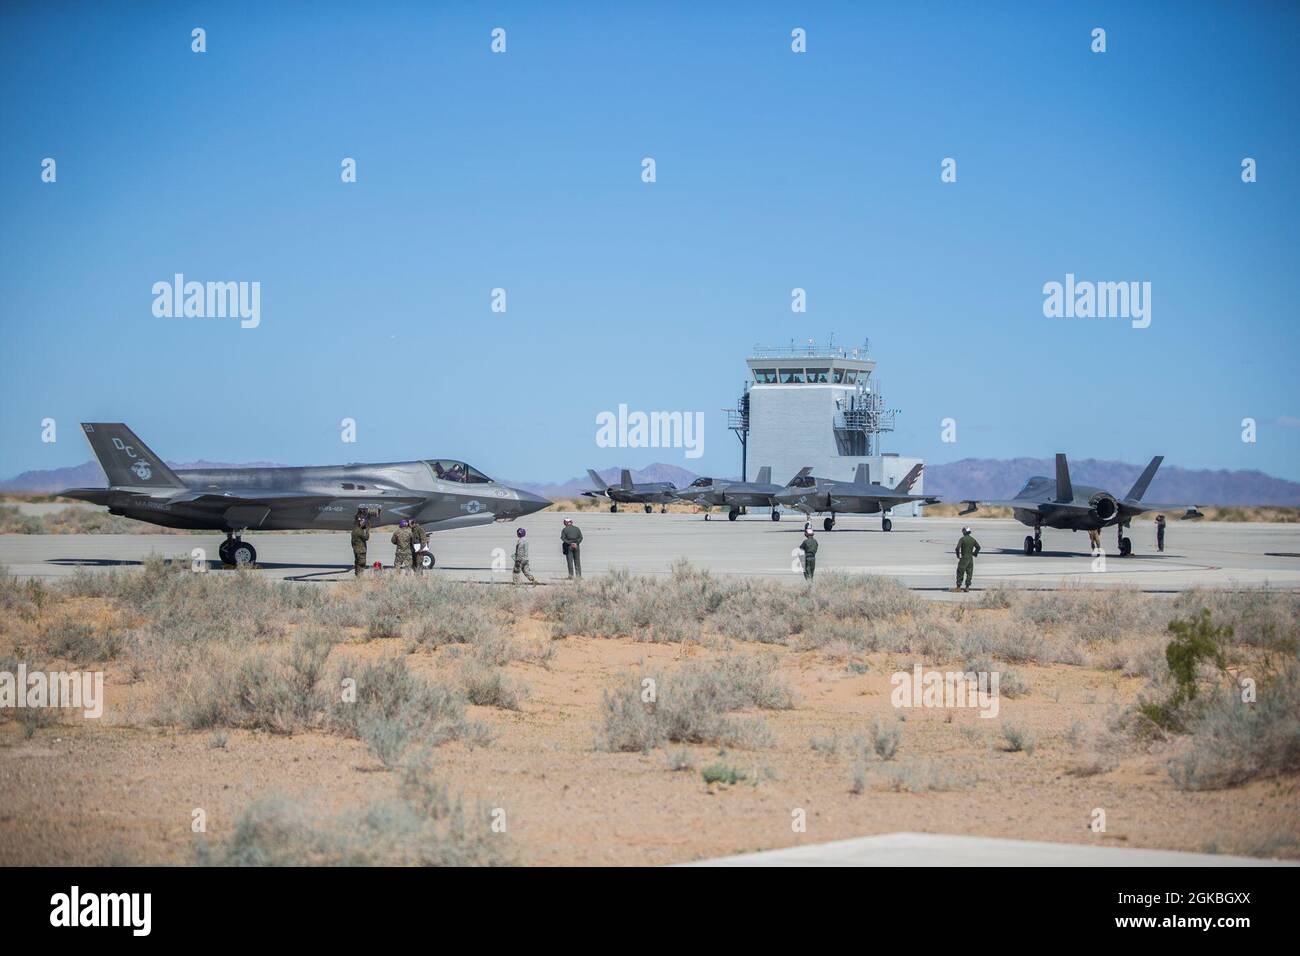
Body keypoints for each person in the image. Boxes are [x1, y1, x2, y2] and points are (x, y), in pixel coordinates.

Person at [954, 526, 981, 592]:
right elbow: (978, 547)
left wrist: (958, 555)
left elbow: (957, 548)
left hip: (964, 558)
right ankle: (967, 587)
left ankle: (958, 587)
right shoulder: (973, 539)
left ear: (964, 532)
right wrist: (975, 553)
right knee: (969, 573)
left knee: (960, 572)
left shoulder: (962, 539)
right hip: (970, 559)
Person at [350, 511, 369, 576]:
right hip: (361, 550)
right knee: (361, 564)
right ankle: (360, 577)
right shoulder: (360, 531)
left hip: (356, 550)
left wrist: (354, 548)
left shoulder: (354, 530)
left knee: (357, 563)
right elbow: (366, 538)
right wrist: (367, 530)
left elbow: (352, 542)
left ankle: (357, 576)